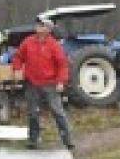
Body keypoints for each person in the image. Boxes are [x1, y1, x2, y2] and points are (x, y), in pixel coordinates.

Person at [11, 18, 74, 151]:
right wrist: (16, 68)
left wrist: (61, 82)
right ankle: (33, 139)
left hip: (50, 84)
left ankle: (67, 139)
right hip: (32, 83)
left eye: (41, 25)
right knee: (33, 113)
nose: (38, 27)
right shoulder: (28, 42)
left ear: (48, 29)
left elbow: (62, 65)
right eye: (38, 25)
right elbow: (18, 57)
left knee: (58, 112)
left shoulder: (54, 45)